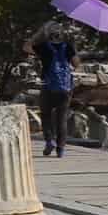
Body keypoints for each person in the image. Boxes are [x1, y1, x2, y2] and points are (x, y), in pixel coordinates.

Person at [33, 19, 77, 158]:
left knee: (45, 115)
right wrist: (73, 48)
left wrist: (40, 31)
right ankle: (60, 149)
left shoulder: (43, 47)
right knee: (61, 118)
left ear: (49, 34)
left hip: (48, 86)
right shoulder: (68, 47)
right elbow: (76, 64)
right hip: (65, 87)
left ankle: (49, 140)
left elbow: (26, 47)